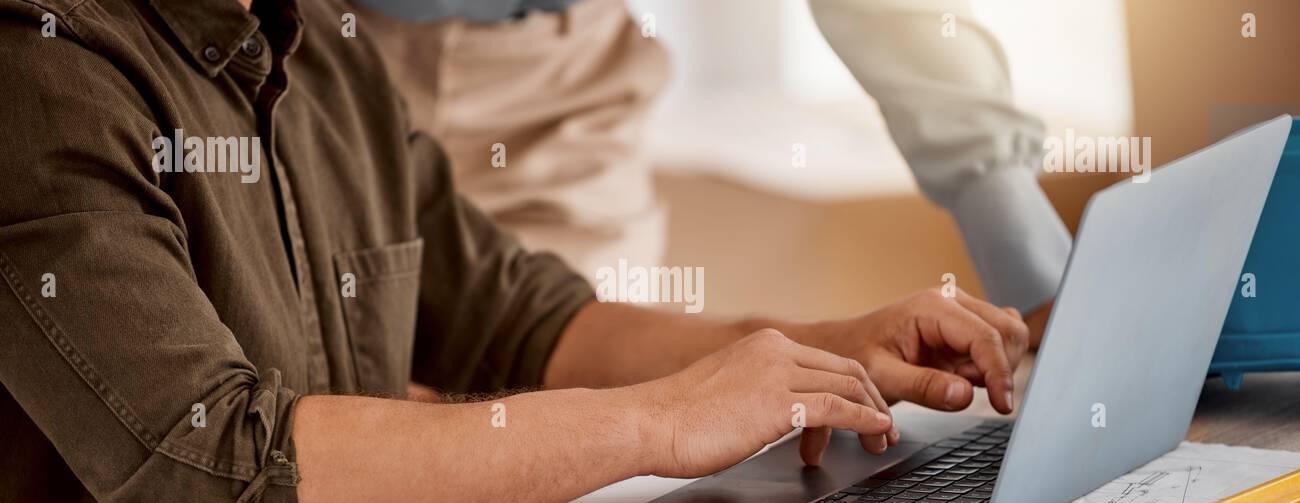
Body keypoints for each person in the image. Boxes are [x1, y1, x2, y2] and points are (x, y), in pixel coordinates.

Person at [0, 0, 1026, 503]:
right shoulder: (41, 72)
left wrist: (822, 348)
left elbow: (518, 315)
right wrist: (658, 421)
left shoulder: (321, 56)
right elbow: (219, 467)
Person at [353, 0, 1069, 343]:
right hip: (302, 56)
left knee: (548, 422)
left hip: (552, 73)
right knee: (311, 427)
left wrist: (1029, 262)